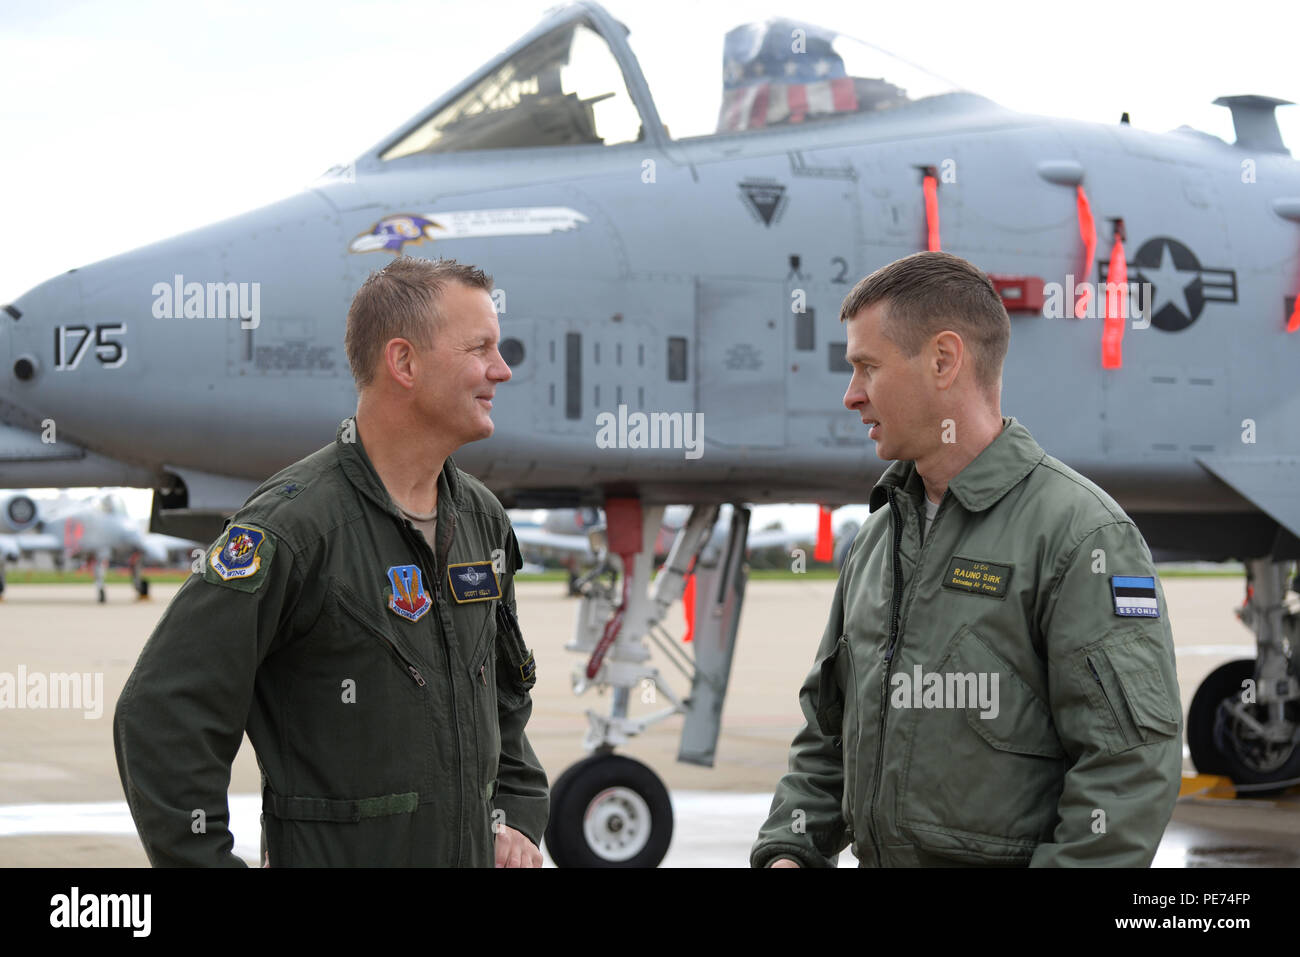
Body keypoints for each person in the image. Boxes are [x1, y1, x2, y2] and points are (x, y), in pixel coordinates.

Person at [751, 251, 1182, 868]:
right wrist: (791, 849)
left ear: (944, 359)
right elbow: (827, 732)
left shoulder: (1081, 536)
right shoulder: (876, 542)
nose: (851, 396)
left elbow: (1127, 770)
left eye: (867, 367)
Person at [114, 256, 548, 867]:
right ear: (403, 362)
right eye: (479, 349)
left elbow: (505, 695)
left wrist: (518, 816)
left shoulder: (481, 520)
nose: (501, 370)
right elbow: (162, 713)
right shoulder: (294, 528)